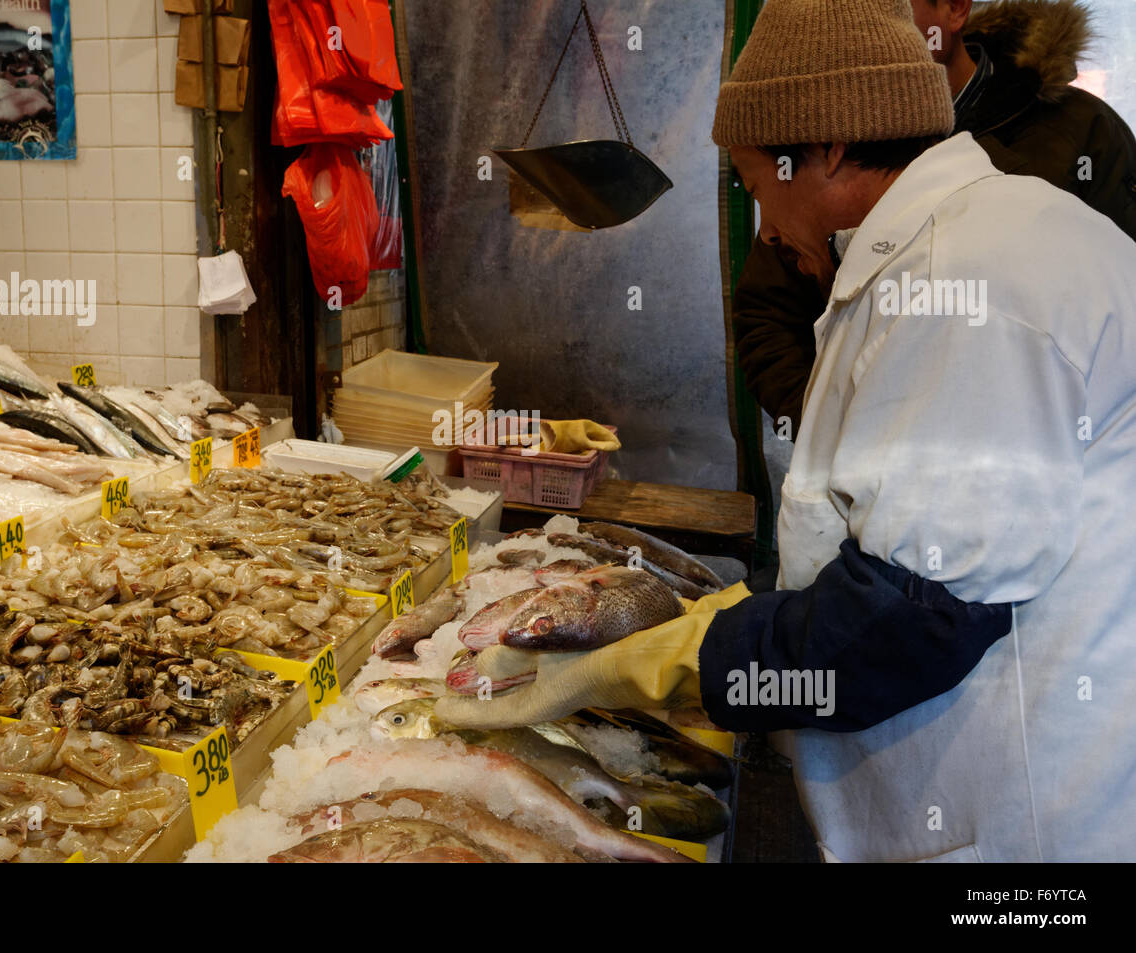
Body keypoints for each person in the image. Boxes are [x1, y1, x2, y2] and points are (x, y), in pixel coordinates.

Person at [437, 0, 1136, 863]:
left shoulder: (973, 280)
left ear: (829, 148)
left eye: (756, 180)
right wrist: (738, 620)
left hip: (1024, 837)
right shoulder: (934, 250)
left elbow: (912, 620)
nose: (762, 218)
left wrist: (704, 657)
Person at [735, 0, 1136, 436]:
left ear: (954, 8)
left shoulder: (1078, 133)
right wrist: (829, 429)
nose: (868, 17)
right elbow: (766, 311)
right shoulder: (816, 183)